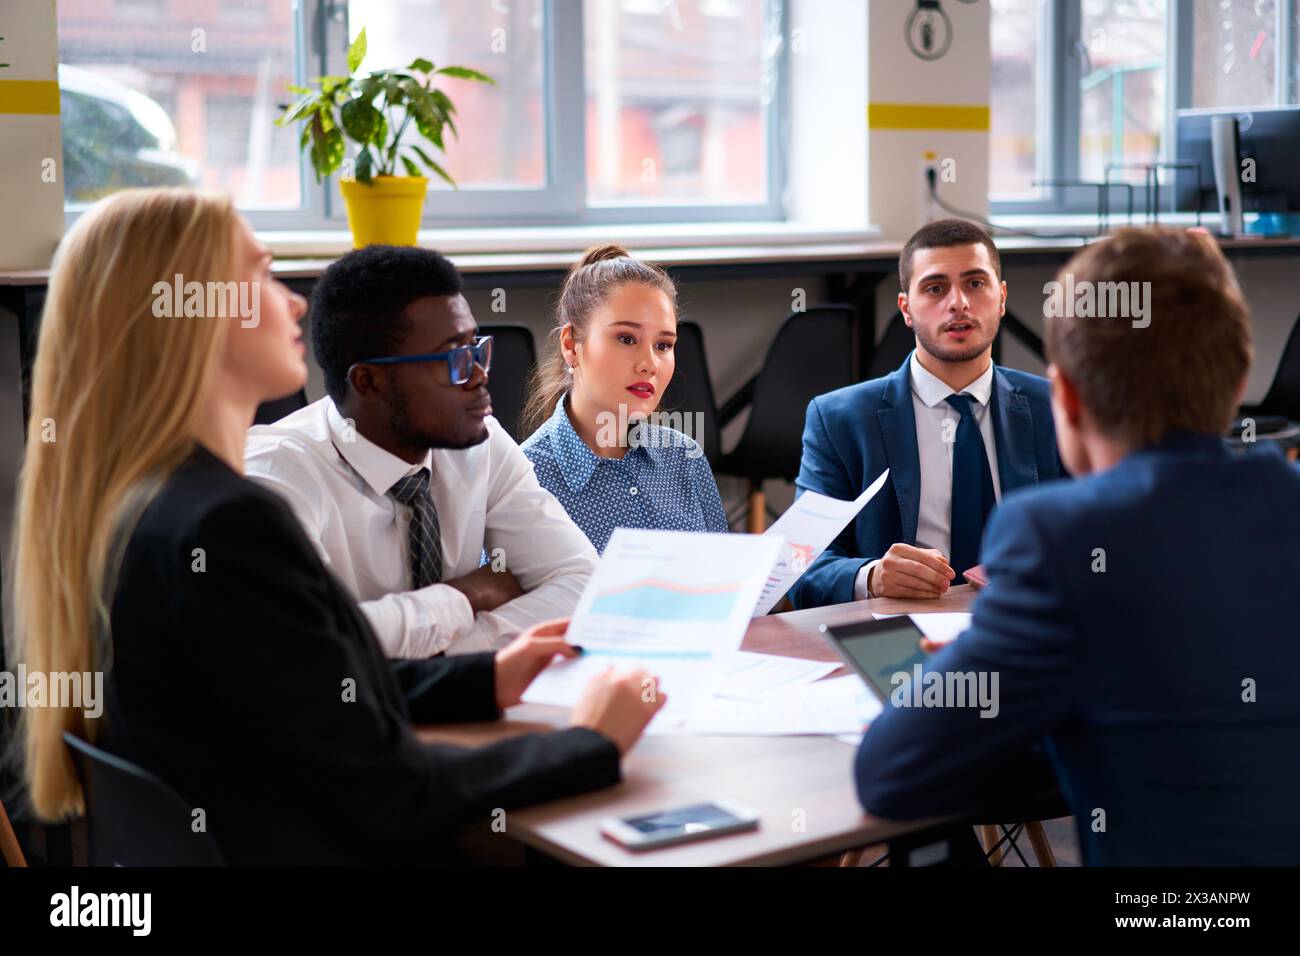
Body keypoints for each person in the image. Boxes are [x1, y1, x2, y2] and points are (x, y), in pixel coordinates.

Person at [10, 188, 663, 864]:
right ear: (189, 318)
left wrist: (480, 680)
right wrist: (592, 741)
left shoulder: (157, 499)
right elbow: (396, 795)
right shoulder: (231, 521)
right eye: (259, 275)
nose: (295, 302)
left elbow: (302, 694)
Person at [854, 227, 1300, 865]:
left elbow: (890, 772)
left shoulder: (1059, 537)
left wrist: (961, 678)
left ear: (1064, 395)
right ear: (1237, 384)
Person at [245, 245, 598, 658]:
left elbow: (580, 581)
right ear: (369, 382)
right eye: (454, 358)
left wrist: (451, 654)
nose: (480, 375)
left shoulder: (481, 441)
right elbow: (308, 645)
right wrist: (467, 595)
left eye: (476, 348)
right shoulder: (276, 474)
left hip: (458, 709)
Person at [789, 218, 1064, 608]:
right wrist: (871, 577)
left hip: (1031, 622)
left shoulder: (1054, 408)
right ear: (906, 309)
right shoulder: (839, 419)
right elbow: (803, 567)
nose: (958, 303)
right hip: (900, 630)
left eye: (975, 283)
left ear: (1001, 298)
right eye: (935, 288)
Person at [518, 244, 728, 553]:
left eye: (664, 345)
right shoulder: (526, 480)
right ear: (571, 345)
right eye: (626, 339)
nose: (650, 363)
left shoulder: (685, 458)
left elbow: (724, 583)